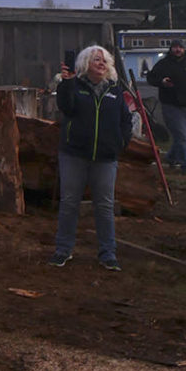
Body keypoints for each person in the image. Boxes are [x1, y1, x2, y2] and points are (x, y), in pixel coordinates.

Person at [50, 44, 132, 272]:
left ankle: (108, 253)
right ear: (86, 63)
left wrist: (121, 142)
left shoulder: (115, 91)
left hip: (105, 158)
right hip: (74, 154)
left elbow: (126, 120)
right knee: (69, 204)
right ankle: (63, 250)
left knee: (104, 206)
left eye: (104, 60)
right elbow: (66, 107)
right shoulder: (73, 86)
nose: (101, 63)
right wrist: (66, 82)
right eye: (96, 59)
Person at [146, 41, 186, 170]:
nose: (178, 50)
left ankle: (170, 157)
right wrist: (162, 81)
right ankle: (185, 164)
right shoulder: (163, 64)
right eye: (175, 47)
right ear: (171, 49)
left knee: (181, 137)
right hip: (171, 105)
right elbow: (151, 78)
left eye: (181, 47)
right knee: (181, 135)